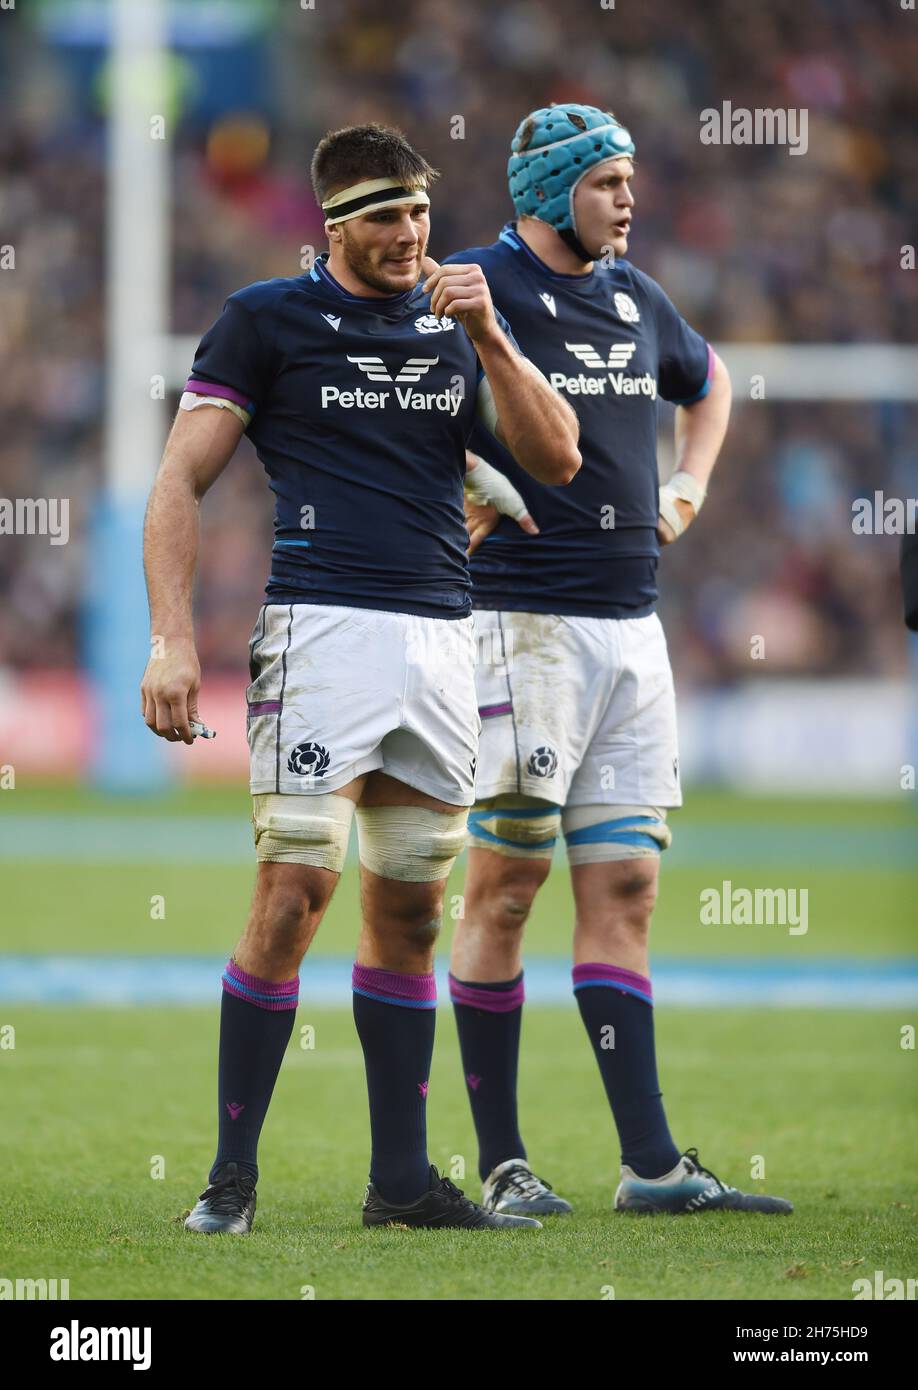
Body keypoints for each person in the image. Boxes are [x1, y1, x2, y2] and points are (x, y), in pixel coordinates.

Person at [140, 122, 579, 1234]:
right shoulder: (265, 321)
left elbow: (558, 457)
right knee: (292, 897)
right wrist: (172, 638)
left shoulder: (459, 324)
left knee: (413, 916)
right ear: (334, 224)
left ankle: (400, 1183)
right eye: (386, 215)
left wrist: (491, 337)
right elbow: (179, 479)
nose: (410, 234)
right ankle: (229, 1181)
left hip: (441, 643)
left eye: (420, 213)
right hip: (320, 639)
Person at [445, 104, 792, 1216]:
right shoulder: (471, 287)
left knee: (629, 886)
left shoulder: (637, 297)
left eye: (630, 180)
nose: (629, 201)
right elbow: (391, 398)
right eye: (606, 182)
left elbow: (712, 382)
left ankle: (651, 1168)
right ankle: (502, 1165)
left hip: (630, 628)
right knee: (505, 888)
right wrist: (448, 493)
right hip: (519, 626)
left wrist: (684, 488)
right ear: (549, 192)